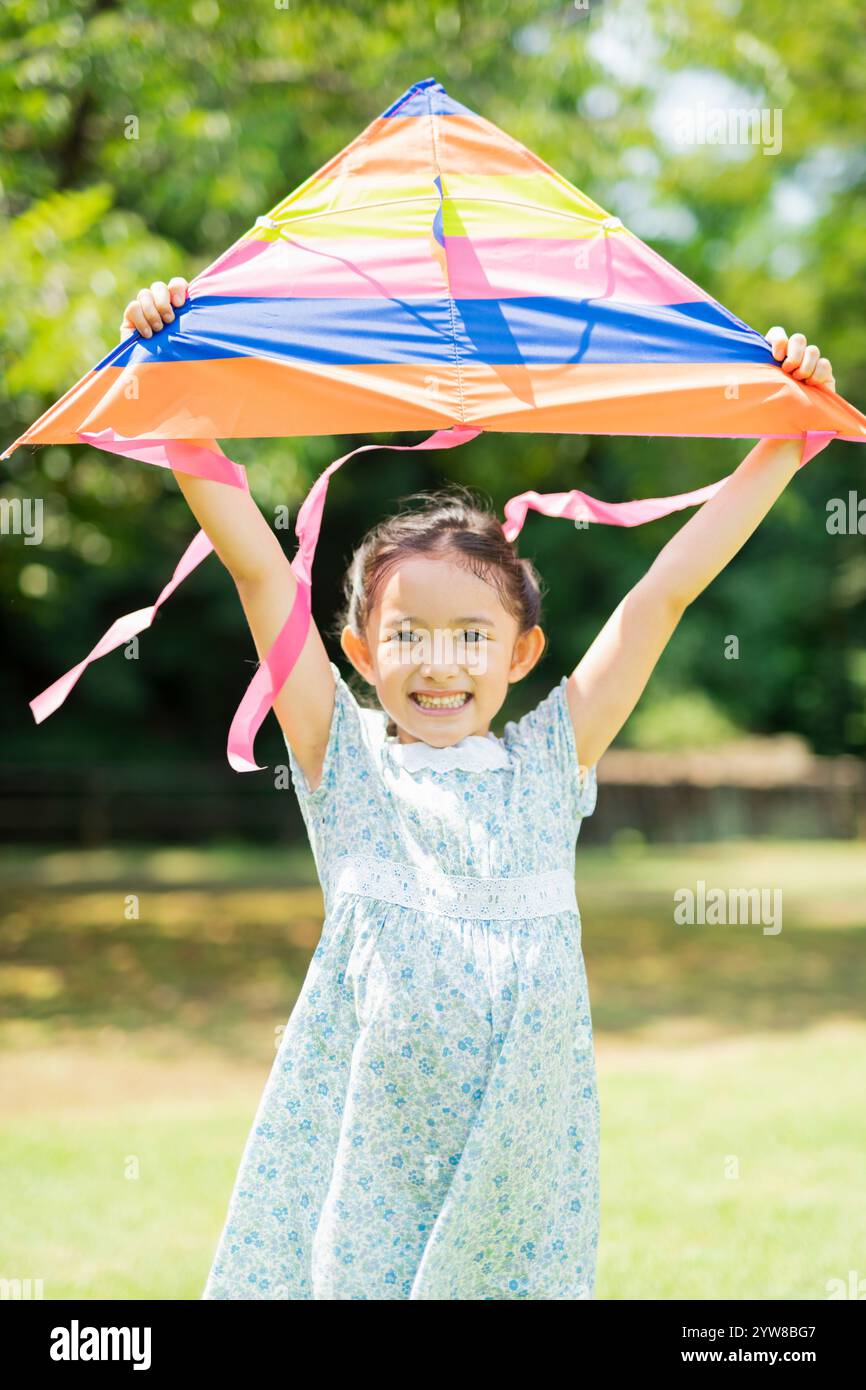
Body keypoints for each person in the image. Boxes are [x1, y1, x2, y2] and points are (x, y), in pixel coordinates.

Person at [120, 278, 836, 1300]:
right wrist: (176, 387)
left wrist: (782, 438)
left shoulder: (551, 762)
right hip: (369, 1146)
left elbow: (662, 594)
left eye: (471, 636)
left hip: (519, 1144)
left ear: (520, 651)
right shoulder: (342, 756)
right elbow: (259, 574)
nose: (439, 662)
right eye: (407, 634)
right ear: (360, 649)